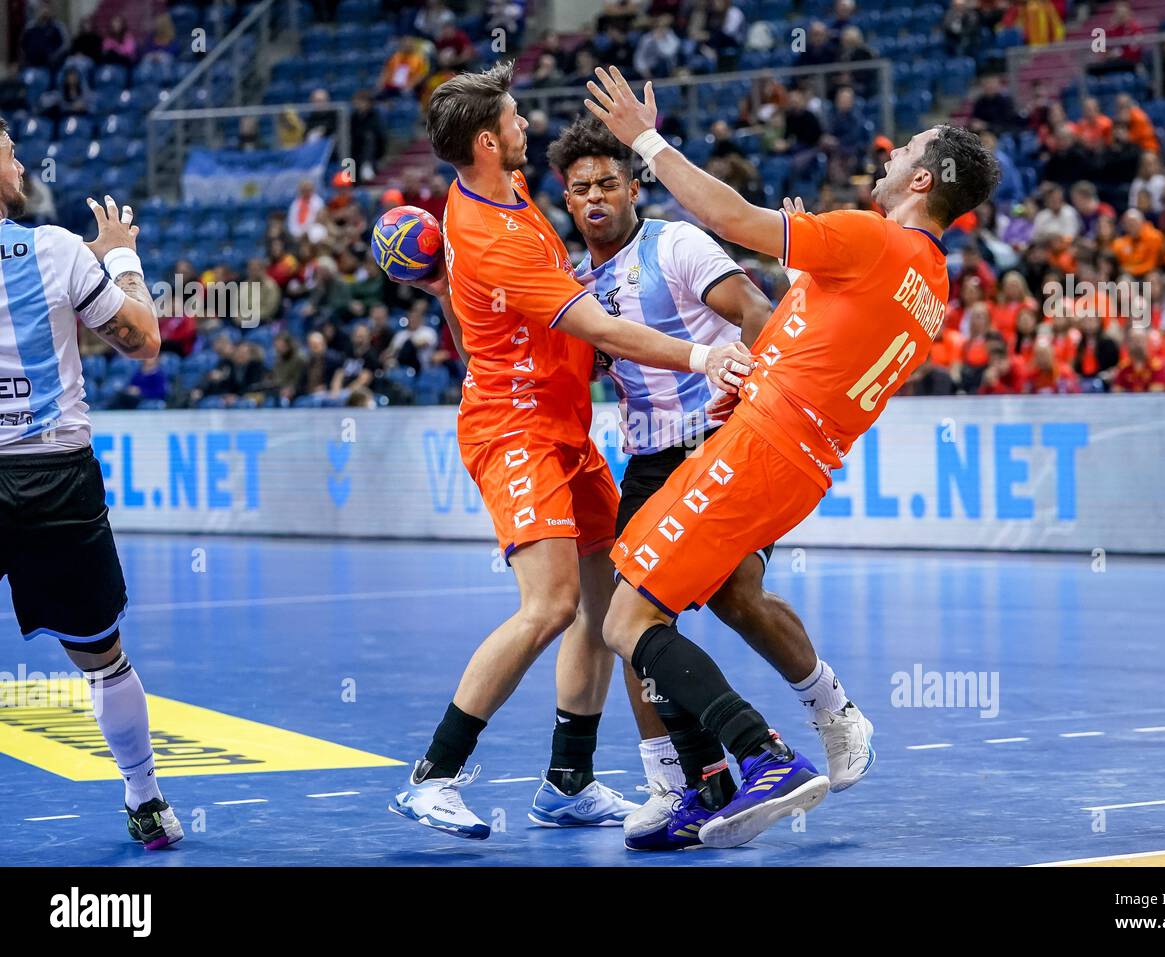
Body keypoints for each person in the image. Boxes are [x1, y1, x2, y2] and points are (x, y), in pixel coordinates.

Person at [585, 67, 999, 847]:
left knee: (629, 613)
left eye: (901, 150)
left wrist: (643, 137)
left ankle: (763, 760)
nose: (885, 154)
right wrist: (762, 364)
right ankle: (724, 778)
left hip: (763, 449)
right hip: (793, 454)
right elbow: (833, 345)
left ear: (921, 178)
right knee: (718, 595)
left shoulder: (874, 237)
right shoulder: (930, 281)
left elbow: (728, 214)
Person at [387, 63, 753, 840]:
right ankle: (435, 774)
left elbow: (472, 310)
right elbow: (600, 329)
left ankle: (568, 778)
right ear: (488, 141)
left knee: (606, 604)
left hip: (565, 429)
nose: (527, 127)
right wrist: (701, 358)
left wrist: (444, 295)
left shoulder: (501, 192)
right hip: (515, 431)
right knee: (551, 604)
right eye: (515, 119)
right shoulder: (491, 235)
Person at [547, 115, 874, 850]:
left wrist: (769, 399)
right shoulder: (578, 282)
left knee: (733, 597)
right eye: (580, 188)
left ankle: (832, 710)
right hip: (649, 458)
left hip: (724, 442)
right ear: (567, 201)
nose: (595, 195)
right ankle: (684, 785)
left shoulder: (677, 243)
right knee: (632, 624)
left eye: (607, 182)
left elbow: (757, 314)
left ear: (635, 186)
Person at [0, 116, 182, 849]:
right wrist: (122, 261)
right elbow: (144, 343)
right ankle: (144, 799)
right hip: (53, 479)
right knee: (101, 654)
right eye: (8, 152)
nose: (18, 163)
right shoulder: (53, 249)